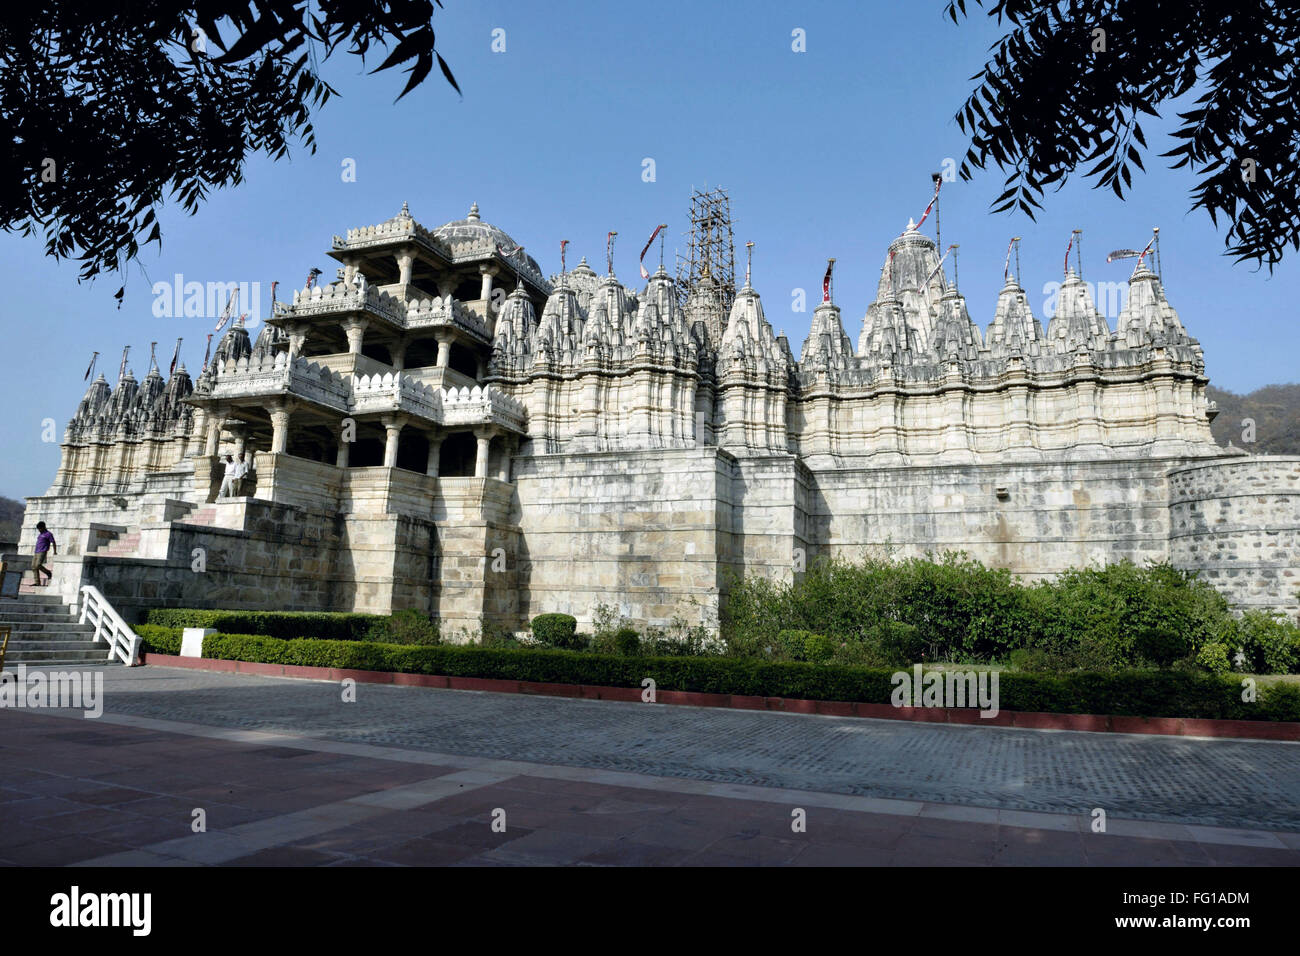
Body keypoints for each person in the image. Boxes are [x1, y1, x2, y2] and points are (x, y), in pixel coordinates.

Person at [31, 521, 56, 587]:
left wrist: (55, 551)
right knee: (33, 567)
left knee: (38, 565)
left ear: (44, 527)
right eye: (38, 529)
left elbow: (53, 542)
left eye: (40, 528)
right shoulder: (40, 534)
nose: (39, 530)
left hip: (42, 551)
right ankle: (37, 582)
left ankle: (48, 573)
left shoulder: (48, 534)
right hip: (36, 552)